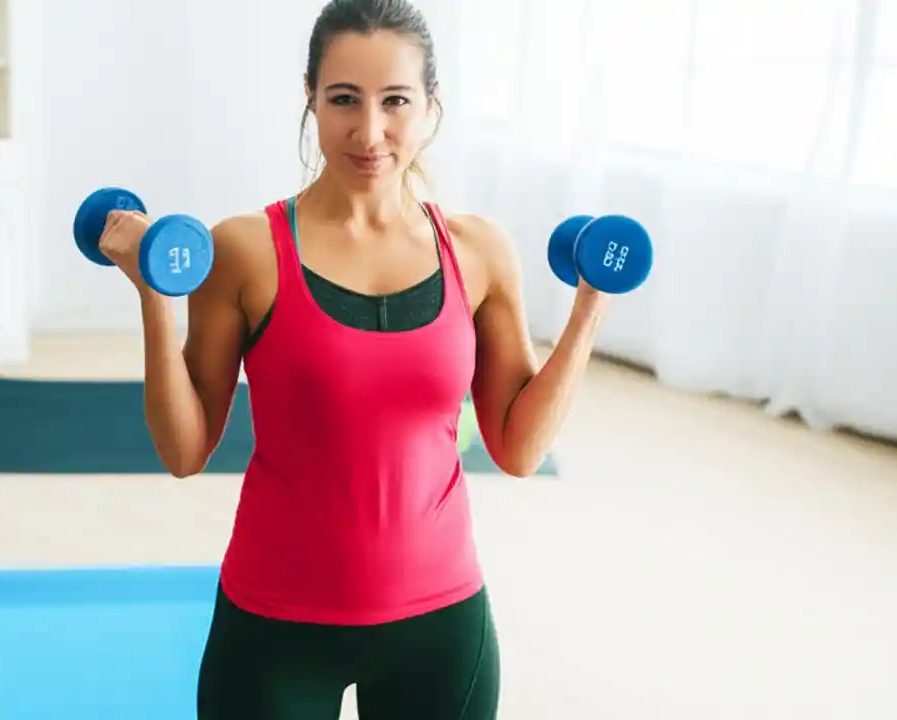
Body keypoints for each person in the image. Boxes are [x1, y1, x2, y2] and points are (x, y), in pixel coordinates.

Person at [97, 0, 608, 716]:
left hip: (441, 623)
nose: (370, 132)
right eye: (343, 99)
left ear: (431, 107)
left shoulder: (479, 250)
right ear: (308, 95)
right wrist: (155, 294)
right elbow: (184, 450)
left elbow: (519, 449)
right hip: (276, 623)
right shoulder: (244, 250)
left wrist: (591, 305)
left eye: (395, 101)